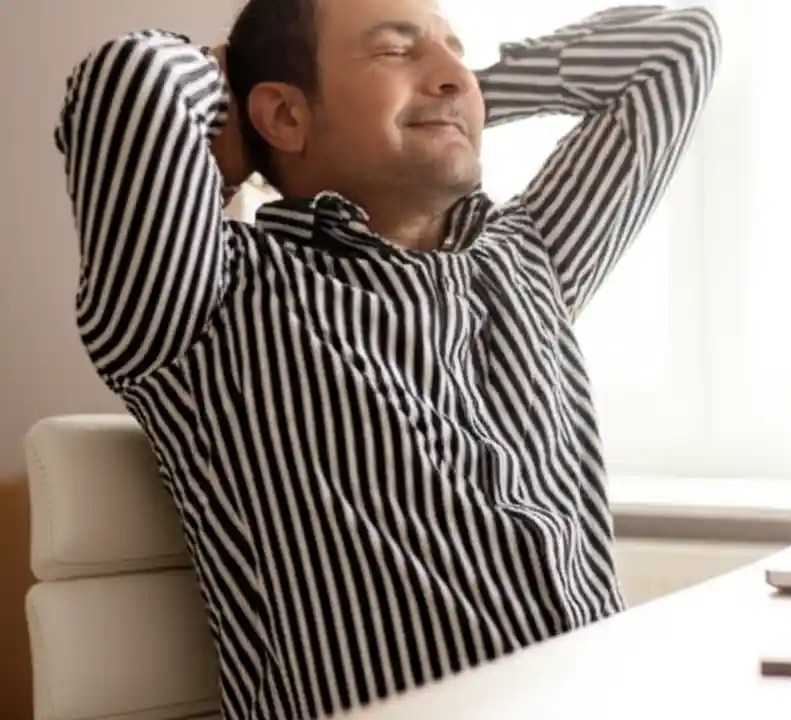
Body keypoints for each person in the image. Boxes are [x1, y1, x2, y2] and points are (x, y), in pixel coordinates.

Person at [53, 0, 719, 716]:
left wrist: (456, 94)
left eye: (455, 51)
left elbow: (676, 48)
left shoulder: (530, 265)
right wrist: (236, 98)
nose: (451, 73)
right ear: (283, 117)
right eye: (396, 52)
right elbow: (129, 82)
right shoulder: (208, 300)